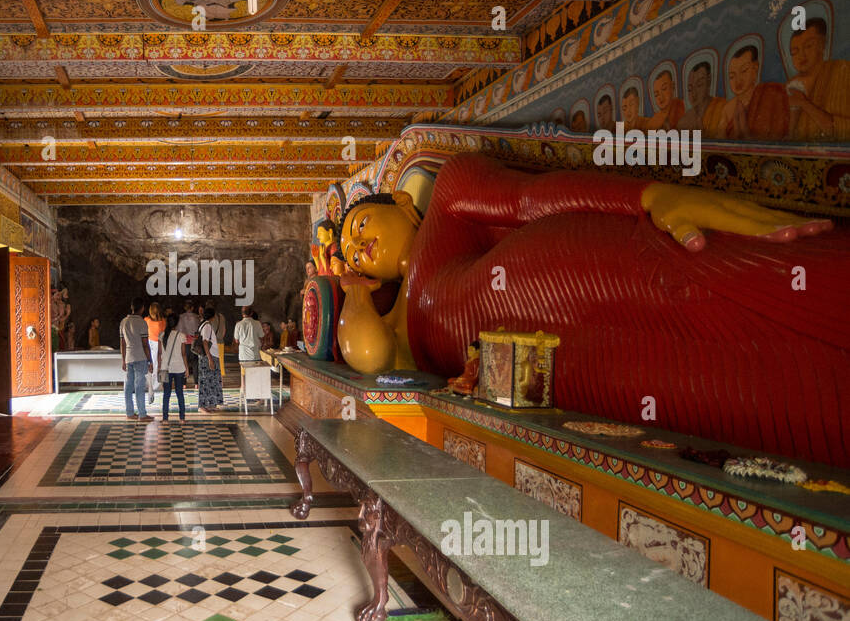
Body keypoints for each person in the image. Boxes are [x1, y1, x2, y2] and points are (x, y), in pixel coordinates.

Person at [334, 153, 848, 466]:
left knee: (724, 283)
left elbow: (532, 199)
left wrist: (651, 197)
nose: (360, 246)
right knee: (725, 390)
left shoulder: (448, 193)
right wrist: (354, 292)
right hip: (561, 367)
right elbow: (369, 354)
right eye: (354, 253)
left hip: (581, 266)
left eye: (361, 225)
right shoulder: (395, 331)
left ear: (402, 203)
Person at [787, 19, 850, 141]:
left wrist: (804, 103)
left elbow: (843, 129)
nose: (802, 55)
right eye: (795, 52)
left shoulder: (842, 72)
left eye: (809, 46)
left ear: (822, 44)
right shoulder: (791, 85)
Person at [119, 298, 152, 421]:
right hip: (140, 357)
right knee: (139, 386)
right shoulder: (142, 323)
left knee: (128, 386)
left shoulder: (123, 322)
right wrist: (150, 360)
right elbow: (145, 344)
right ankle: (142, 414)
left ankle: (130, 413)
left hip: (128, 357)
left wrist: (123, 359)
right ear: (142, 308)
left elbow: (122, 343)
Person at [158, 313, 188, 422]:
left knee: (166, 394)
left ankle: (165, 419)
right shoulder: (181, 335)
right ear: (177, 323)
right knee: (180, 393)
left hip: (165, 368)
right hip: (179, 368)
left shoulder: (161, 335)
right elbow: (184, 354)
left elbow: (159, 353)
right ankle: (182, 418)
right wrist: (187, 368)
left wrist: (159, 368)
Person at [195, 305, 223, 412]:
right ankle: (202, 406)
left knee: (211, 381)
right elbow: (205, 342)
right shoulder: (207, 326)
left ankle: (211, 404)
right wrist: (210, 359)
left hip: (210, 356)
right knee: (205, 381)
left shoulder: (204, 325)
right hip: (208, 357)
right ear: (213, 316)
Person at [145, 301, 165, 405]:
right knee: (158, 366)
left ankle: (150, 386)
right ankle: (158, 385)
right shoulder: (163, 321)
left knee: (150, 367)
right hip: (159, 344)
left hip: (149, 344)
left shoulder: (146, 320)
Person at [177, 300, 201, 385]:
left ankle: (184, 384)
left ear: (185, 308)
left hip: (185, 342)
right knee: (195, 363)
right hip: (194, 342)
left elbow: (179, 330)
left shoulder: (181, 317)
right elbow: (199, 330)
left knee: (184, 362)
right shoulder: (196, 317)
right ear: (192, 308)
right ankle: (196, 384)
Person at [212, 304, 228, 379]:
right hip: (220, 341)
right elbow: (224, 330)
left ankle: (213, 380)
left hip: (212, 343)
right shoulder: (221, 316)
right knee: (221, 361)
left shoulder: (209, 318)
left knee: (211, 361)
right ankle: (221, 382)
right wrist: (220, 337)